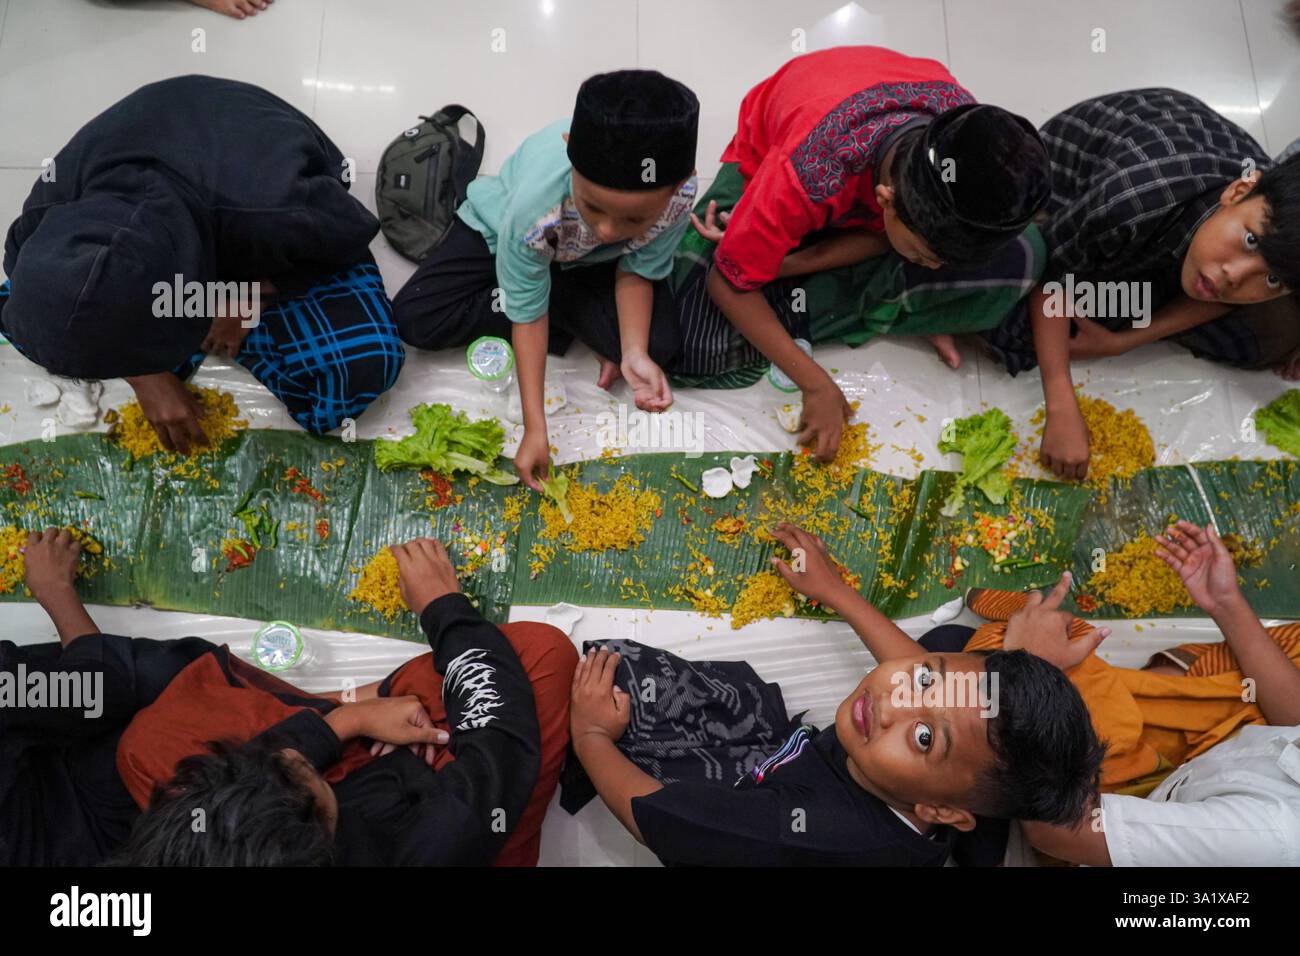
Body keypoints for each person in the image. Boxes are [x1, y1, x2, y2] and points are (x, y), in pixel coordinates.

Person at [567, 522, 1104, 866]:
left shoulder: (806, 832)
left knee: (622, 684)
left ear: (939, 810)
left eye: (922, 737)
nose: (892, 702)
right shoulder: (949, 774)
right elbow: (930, 683)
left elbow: (654, 820)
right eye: (923, 680)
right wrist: (834, 591)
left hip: (766, 794)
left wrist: (592, 735)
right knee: (953, 647)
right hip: (925, 797)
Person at [667, 46, 1051, 460]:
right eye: (925, 256)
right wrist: (814, 382)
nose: (935, 267)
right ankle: (885, 302)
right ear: (885, 199)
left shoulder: (962, 136)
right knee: (683, 337)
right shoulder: (807, 172)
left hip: (859, 219)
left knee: (1028, 257)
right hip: (771, 164)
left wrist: (785, 265)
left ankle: (833, 293)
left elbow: (887, 236)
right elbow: (725, 283)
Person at [114, 538, 578, 866]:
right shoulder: (434, 841)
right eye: (298, 774)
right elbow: (501, 741)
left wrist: (347, 720)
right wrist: (442, 606)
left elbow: (272, 766)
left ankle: (348, 705)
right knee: (542, 654)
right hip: (449, 813)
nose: (292, 754)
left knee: (148, 742)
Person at [0, 75, 404, 444]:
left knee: (361, 366)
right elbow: (40, 294)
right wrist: (146, 378)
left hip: (256, 191)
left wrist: (252, 294)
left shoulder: (280, 211)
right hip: (181, 217)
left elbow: (349, 235)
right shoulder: (44, 217)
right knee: (34, 316)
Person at [392, 70, 699, 492]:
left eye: (633, 219)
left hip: (589, 265)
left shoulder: (676, 196)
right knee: (417, 317)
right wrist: (535, 429)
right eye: (593, 207)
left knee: (659, 349)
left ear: (678, 187)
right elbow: (529, 319)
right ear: (570, 152)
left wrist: (633, 350)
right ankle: (547, 295)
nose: (608, 230)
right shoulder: (532, 210)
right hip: (506, 232)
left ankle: (554, 294)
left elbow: (636, 270)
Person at [979, 89, 1300, 479]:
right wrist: (1061, 402)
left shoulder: (1253, 240)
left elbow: (1234, 293)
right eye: (1250, 240)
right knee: (1015, 321)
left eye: (1272, 278)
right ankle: (1139, 296)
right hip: (1072, 190)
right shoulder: (1128, 203)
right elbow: (1051, 285)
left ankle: (1152, 298)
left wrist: (1125, 341)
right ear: (1239, 191)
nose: (1236, 274)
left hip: (1178, 226)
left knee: (1277, 335)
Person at [997, 523, 1300, 866]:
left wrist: (1028, 671)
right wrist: (1225, 602)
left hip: (1067, 819)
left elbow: (1058, 831)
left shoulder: (1260, 835)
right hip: (1198, 775)